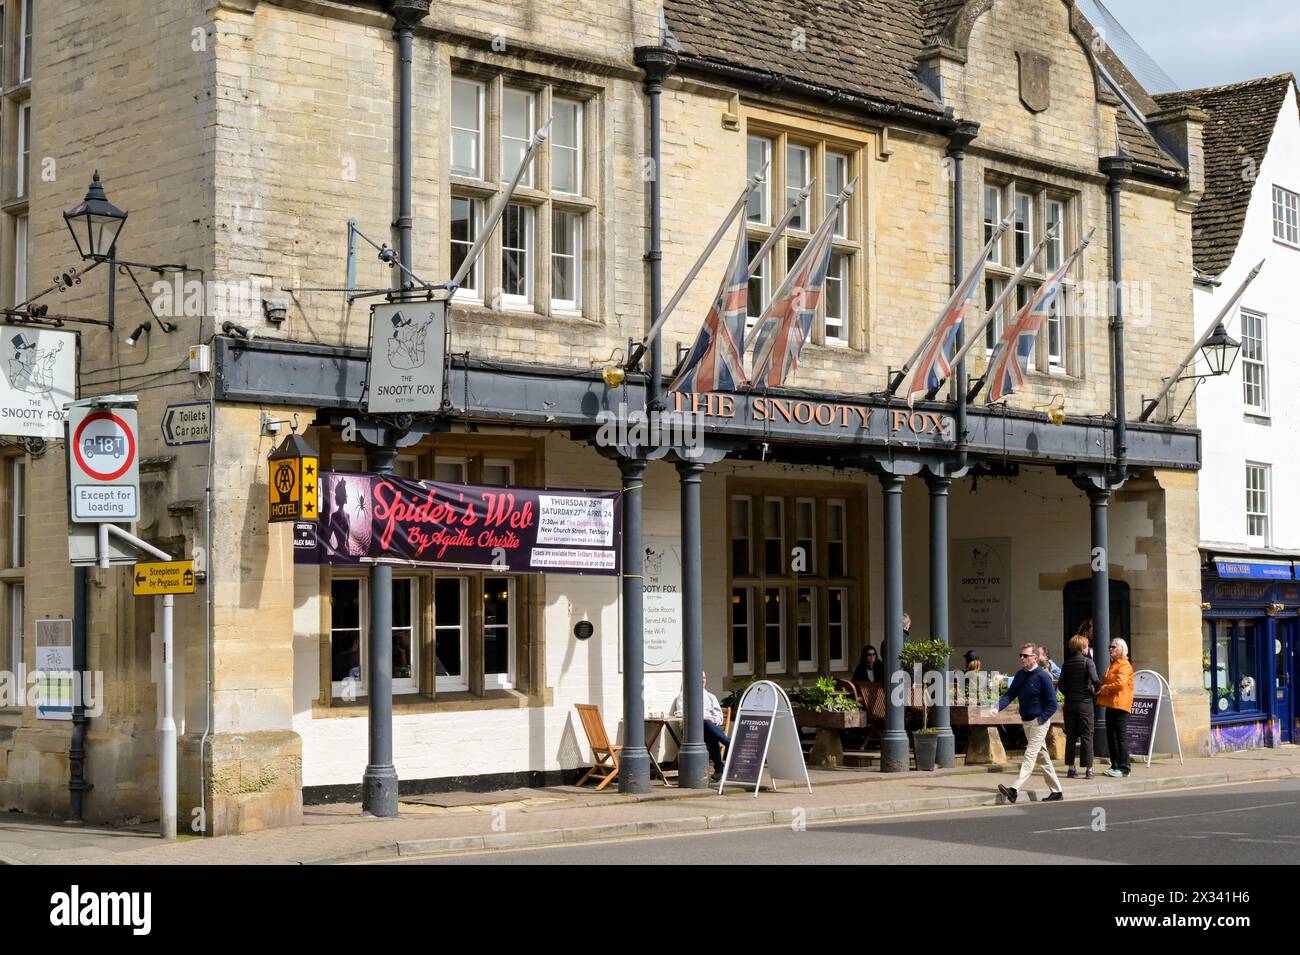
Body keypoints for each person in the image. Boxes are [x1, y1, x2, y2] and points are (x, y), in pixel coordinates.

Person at [996, 642, 1063, 804]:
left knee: (1030, 755)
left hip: (1039, 721)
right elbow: (1010, 695)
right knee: (1043, 757)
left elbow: (1052, 704)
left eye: (1025, 656)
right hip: (1026, 721)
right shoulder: (1020, 675)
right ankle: (1057, 791)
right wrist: (996, 708)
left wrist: (1041, 719)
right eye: (1021, 655)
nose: (1022, 658)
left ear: (1035, 658)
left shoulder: (1043, 677)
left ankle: (1014, 789)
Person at [673, 672, 730, 783]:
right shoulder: (683, 695)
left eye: (704, 678)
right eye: (699, 678)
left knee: (708, 727)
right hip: (690, 730)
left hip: (708, 729)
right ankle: (728, 745)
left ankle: (720, 767)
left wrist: (713, 719)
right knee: (707, 725)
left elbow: (719, 717)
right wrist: (703, 719)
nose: (702, 680)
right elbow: (680, 714)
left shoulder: (711, 697)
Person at [1059, 634, 1101, 778]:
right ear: (1082, 648)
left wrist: (1070, 694)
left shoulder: (1067, 663)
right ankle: (1088, 770)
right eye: (1087, 646)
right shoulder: (1088, 662)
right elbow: (1095, 680)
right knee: (1087, 736)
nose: (1088, 648)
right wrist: (1095, 690)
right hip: (1085, 704)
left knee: (1071, 736)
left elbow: (1061, 685)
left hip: (1070, 704)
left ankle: (1071, 768)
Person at [1096, 637, 1135, 777]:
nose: (1110, 649)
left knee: (1120, 737)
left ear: (1121, 650)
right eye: (1110, 647)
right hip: (1111, 704)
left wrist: (1103, 688)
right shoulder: (1114, 664)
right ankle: (1115, 765)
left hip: (1121, 705)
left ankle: (1124, 768)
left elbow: (1120, 684)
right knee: (1111, 736)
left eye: (1113, 647)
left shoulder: (1124, 665)